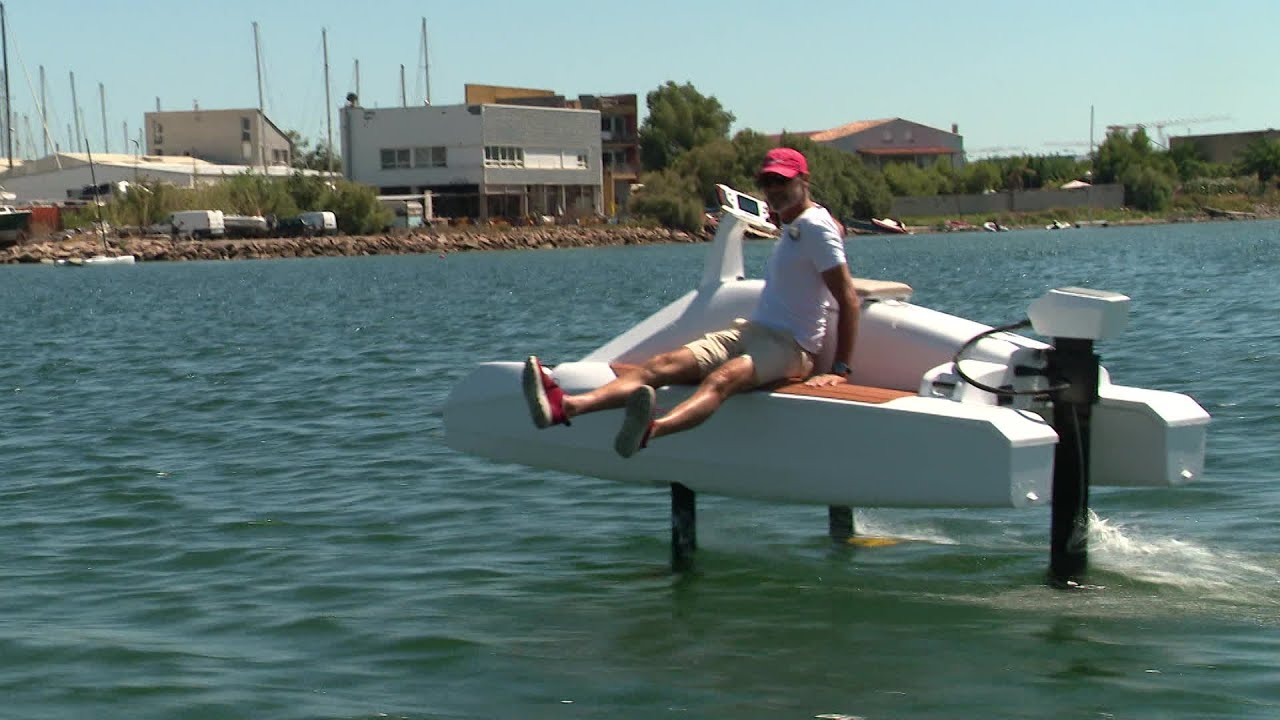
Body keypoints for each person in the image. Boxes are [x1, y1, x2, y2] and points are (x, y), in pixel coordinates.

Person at [523, 147, 860, 458]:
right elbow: (824, 229)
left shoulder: (815, 228)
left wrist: (840, 370)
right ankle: (567, 406)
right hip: (754, 332)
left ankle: (652, 430)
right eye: (767, 181)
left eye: (781, 181)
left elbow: (847, 297)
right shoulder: (799, 222)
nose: (773, 188)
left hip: (792, 348)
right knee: (662, 366)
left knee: (722, 378)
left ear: (804, 180)